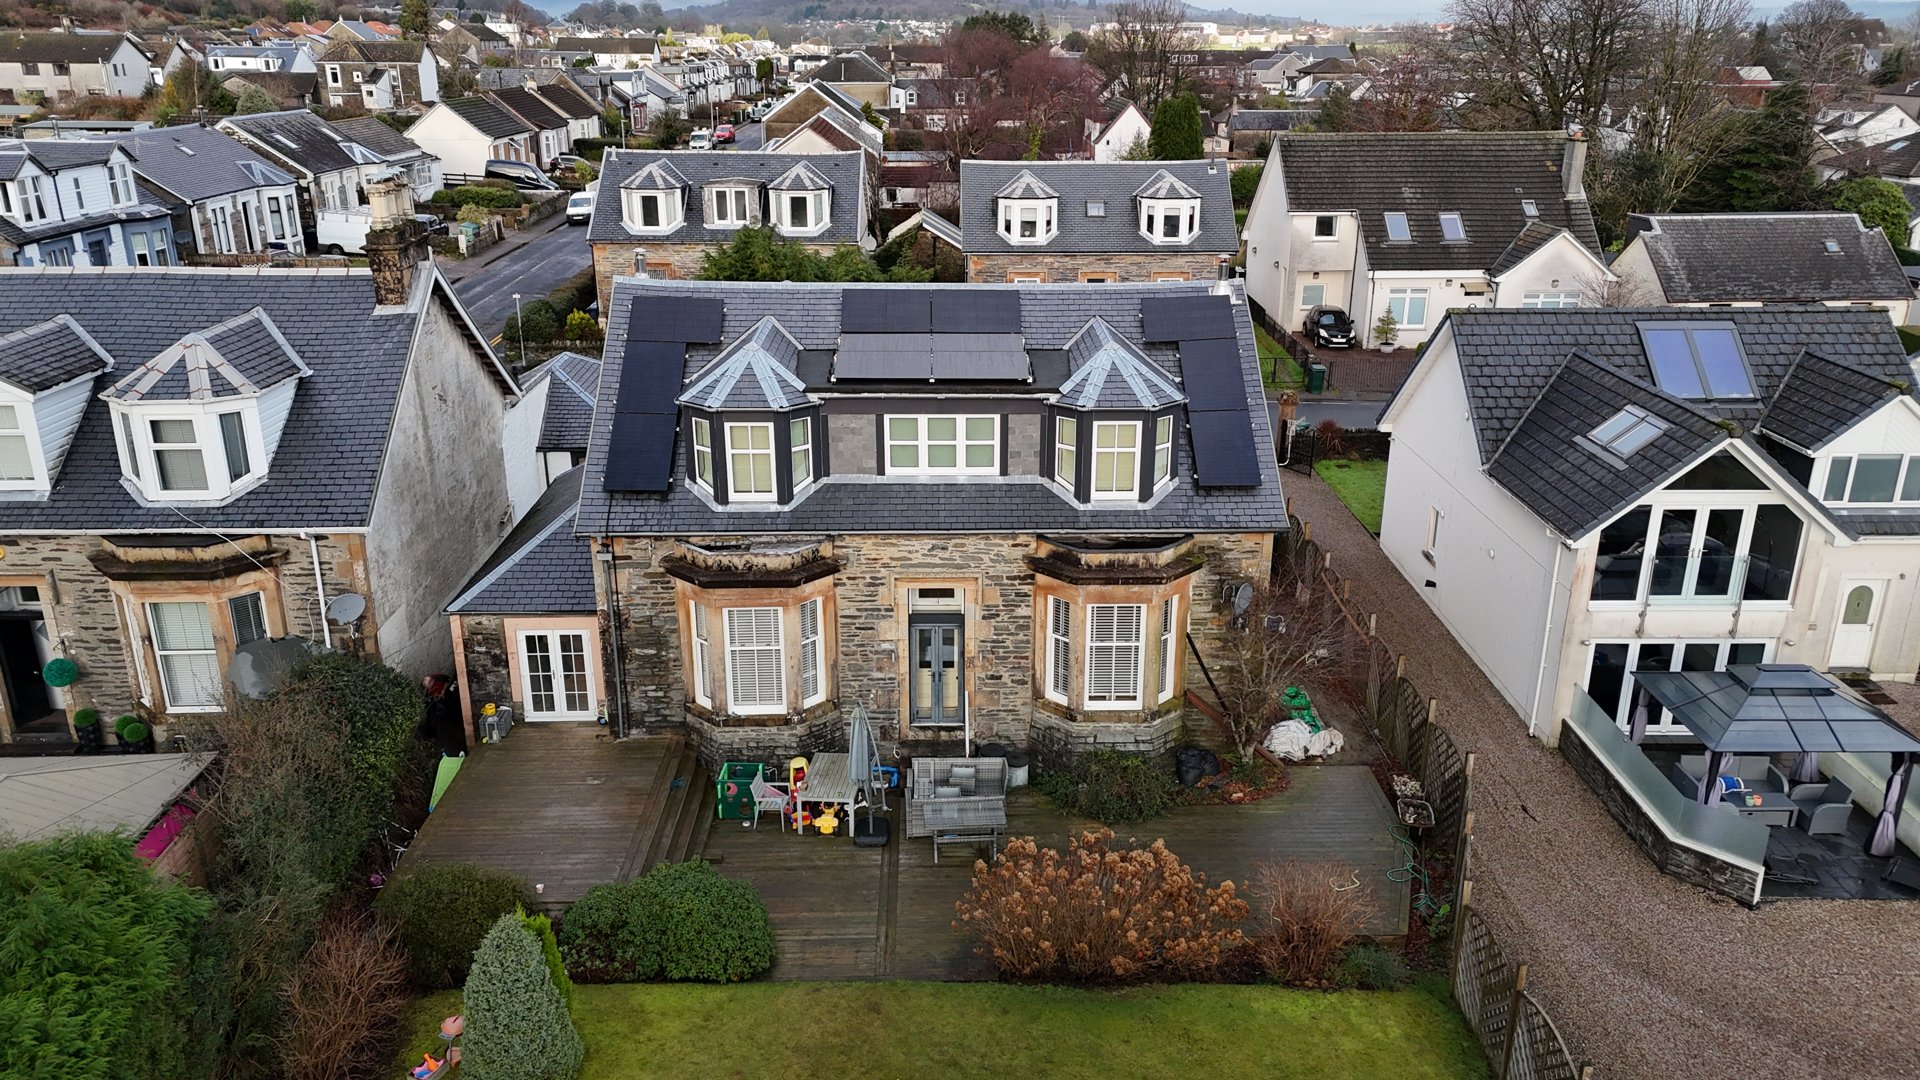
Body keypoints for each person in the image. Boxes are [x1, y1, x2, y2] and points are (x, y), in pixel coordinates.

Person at [418, 673, 467, 756]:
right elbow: (430, 696)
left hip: (446, 691)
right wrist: (436, 695)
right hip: (439, 698)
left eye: (430, 685)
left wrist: (443, 691)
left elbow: (447, 680)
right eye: (427, 687)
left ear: (432, 680)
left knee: (452, 703)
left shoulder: (438, 678)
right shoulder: (427, 691)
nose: (429, 687)